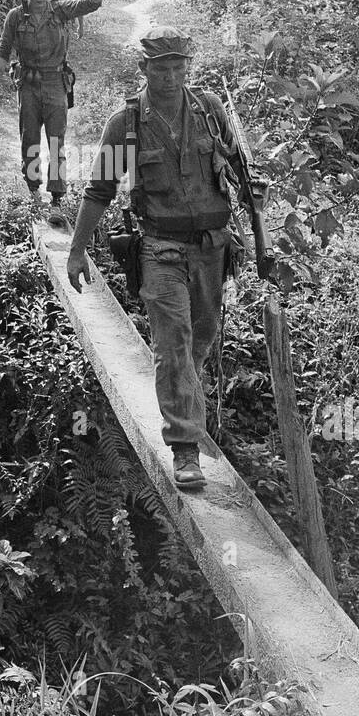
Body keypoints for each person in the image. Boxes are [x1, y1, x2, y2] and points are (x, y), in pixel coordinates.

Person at [66, 26, 251, 490]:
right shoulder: (124, 125)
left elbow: (237, 168)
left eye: (177, 67)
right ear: (144, 69)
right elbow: (99, 191)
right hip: (159, 250)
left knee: (198, 345)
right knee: (173, 343)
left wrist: (255, 196)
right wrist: (76, 249)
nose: (170, 77)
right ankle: (185, 446)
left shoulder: (209, 112)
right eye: (160, 68)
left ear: (187, 68)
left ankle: (186, 409)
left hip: (212, 250)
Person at [0, 0, 111, 210]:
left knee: (57, 140)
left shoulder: (60, 10)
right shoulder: (15, 16)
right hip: (28, 85)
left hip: (56, 82)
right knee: (29, 139)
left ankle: (56, 197)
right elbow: (3, 50)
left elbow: (92, 2)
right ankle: (33, 191)